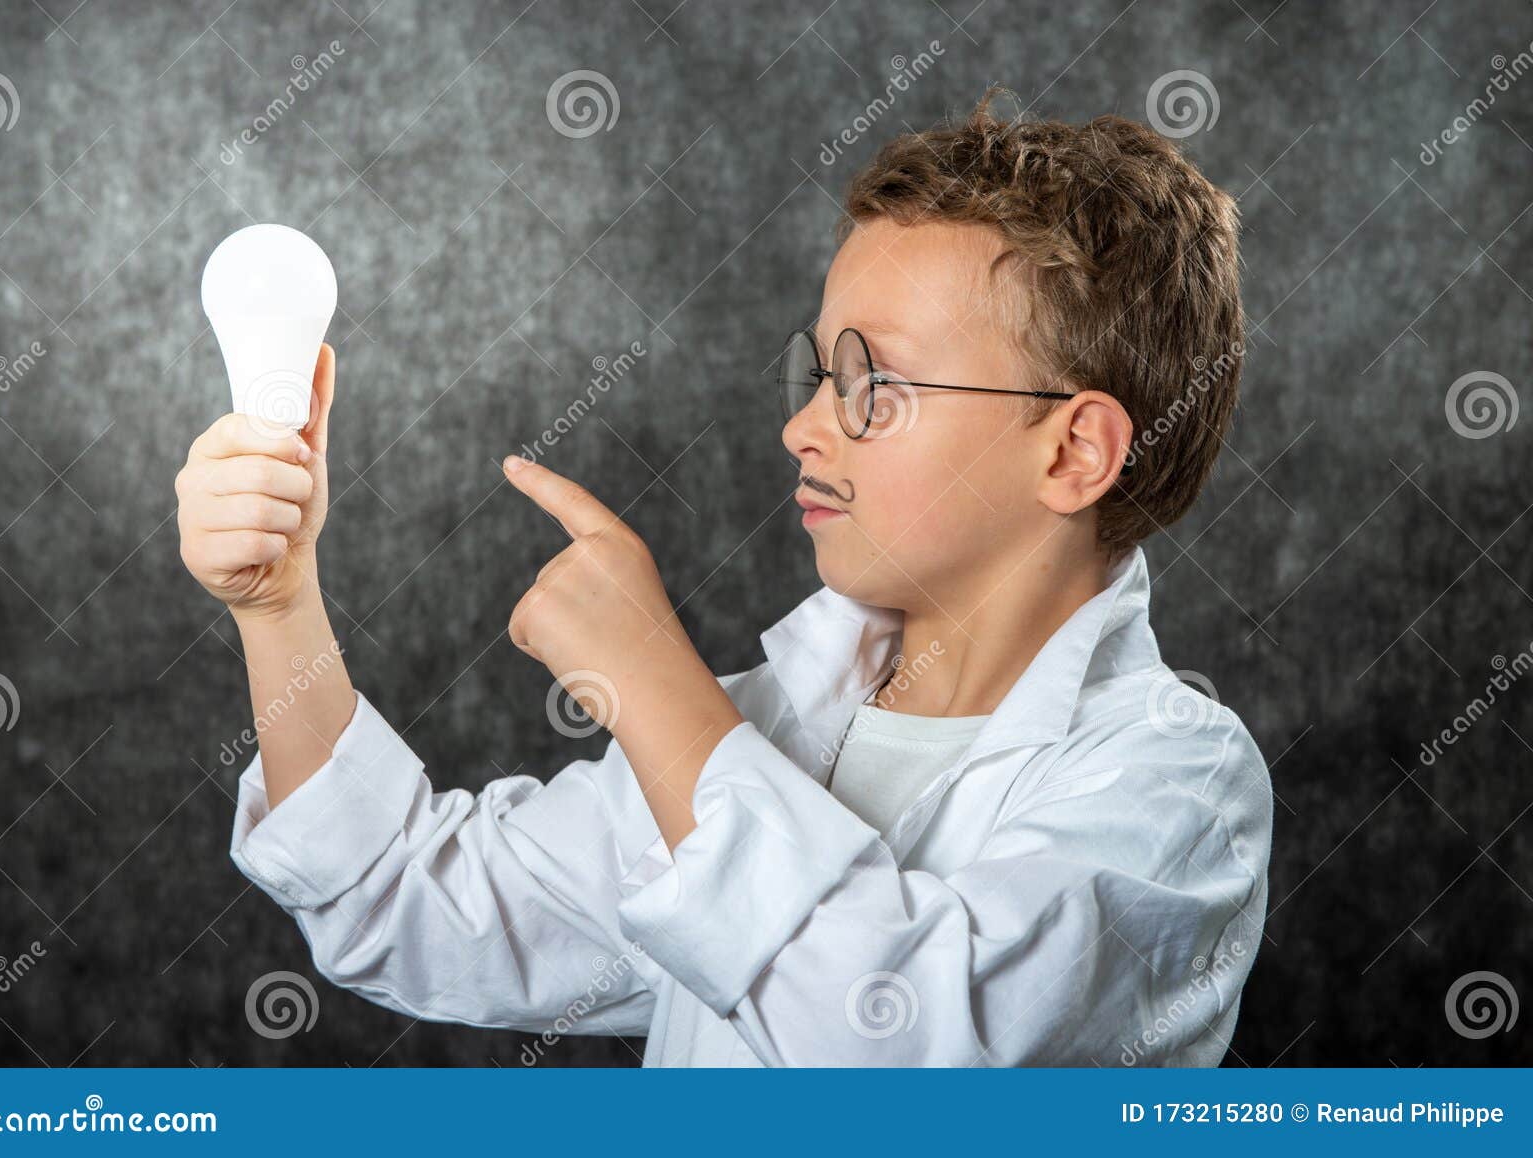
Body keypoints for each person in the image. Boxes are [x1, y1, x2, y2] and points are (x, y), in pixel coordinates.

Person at [175, 85, 1272, 1066]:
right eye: (818, 371)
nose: (802, 428)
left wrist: (651, 685)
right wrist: (279, 603)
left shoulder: (1175, 788)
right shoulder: (763, 729)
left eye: (873, 383)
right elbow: (404, 900)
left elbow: (897, 1057)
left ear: (1072, 452)